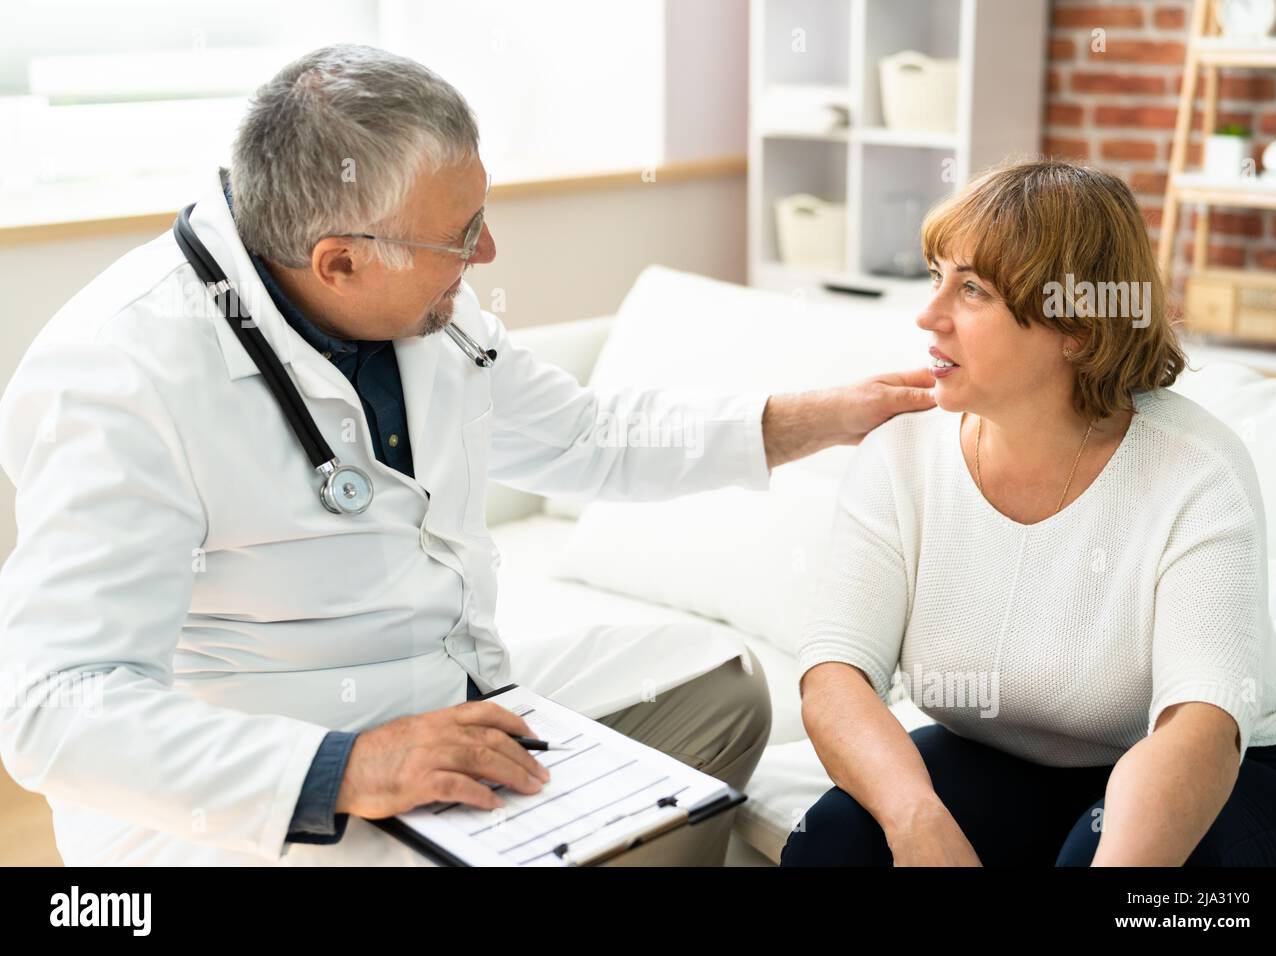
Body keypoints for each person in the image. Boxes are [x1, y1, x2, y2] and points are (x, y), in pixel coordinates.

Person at [0, 44, 936, 866]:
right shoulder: (119, 375)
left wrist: (822, 416)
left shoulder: (419, 307)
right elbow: (54, 708)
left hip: (452, 696)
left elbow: (588, 438)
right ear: (339, 261)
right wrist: (349, 767)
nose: (485, 250)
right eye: (460, 236)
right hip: (272, 776)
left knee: (719, 689)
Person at [781, 159, 1276, 867]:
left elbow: (1198, 729)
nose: (928, 315)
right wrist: (917, 826)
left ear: (1077, 331)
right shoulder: (903, 450)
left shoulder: (1196, 472)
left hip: (1227, 772)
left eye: (972, 290)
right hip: (1005, 754)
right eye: (937, 276)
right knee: (835, 845)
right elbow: (834, 672)